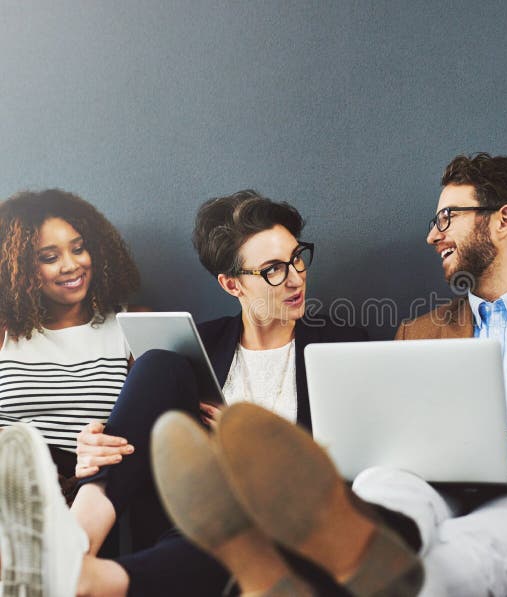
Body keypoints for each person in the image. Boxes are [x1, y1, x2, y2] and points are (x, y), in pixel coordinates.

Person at [151, 153, 507, 596]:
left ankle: (297, 580)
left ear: (503, 220)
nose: (433, 234)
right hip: (431, 490)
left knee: (468, 550)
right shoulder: (419, 331)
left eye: (447, 218)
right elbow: (381, 444)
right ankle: (339, 547)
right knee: (384, 486)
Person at [0, 190, 367, 596]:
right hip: (190, 510)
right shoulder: (199, 345)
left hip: (280, 519)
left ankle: (79, 576)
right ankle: (74, 543)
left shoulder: (342, 343)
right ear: (232, 284)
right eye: (273, 270)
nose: (296, 277)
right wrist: (94, 446)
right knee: (159, 362)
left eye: (297, 257)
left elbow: (358, 467)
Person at [0, 189, 142, 491]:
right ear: (19, 269)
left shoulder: (130, 325)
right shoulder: (5, 333)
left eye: (78, 249)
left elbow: (148, 423)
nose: (71, 265)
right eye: (50, 257)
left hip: (93, 488)